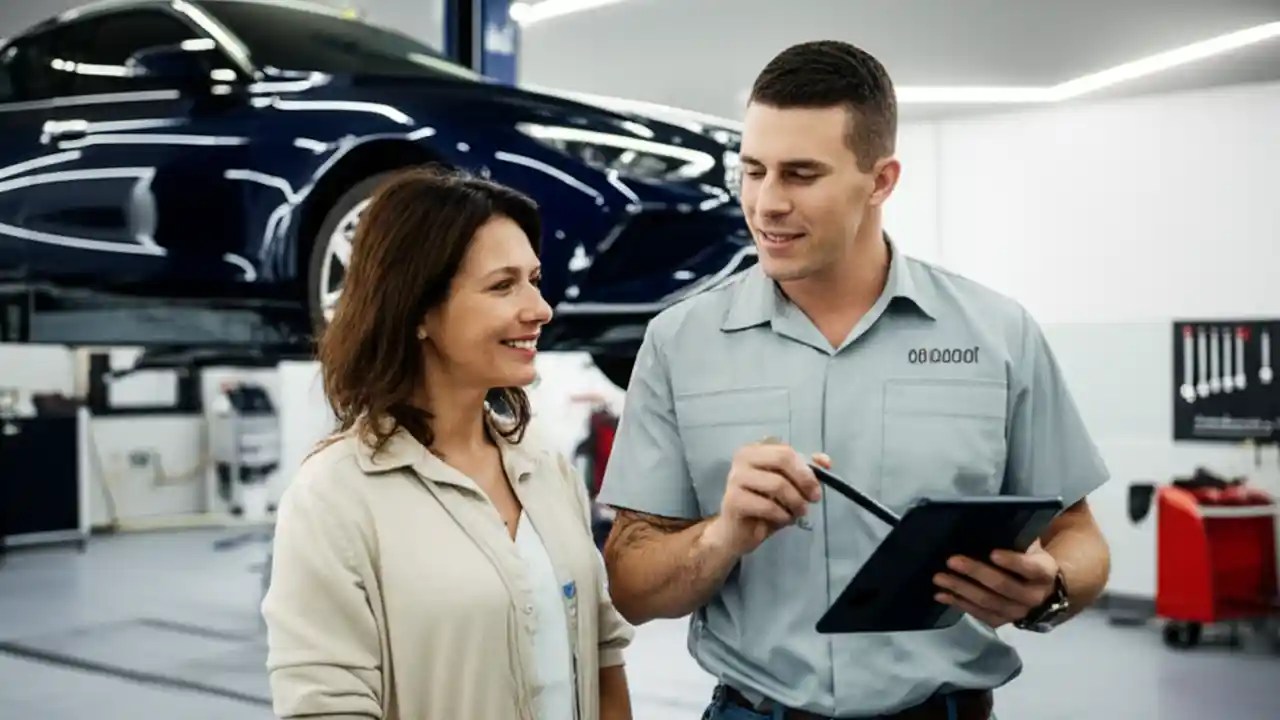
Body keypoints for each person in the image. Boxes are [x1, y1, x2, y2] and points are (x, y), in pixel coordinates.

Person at [597, 40, 1112, 720]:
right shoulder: (678, 343)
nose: (766, 203)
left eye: (801, 174)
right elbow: (630, 584)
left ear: (881, 180)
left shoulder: (999, 335)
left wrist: (1050, 589)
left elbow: (1080, 535)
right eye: (752, 171)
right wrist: (722, 536)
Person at [261, 167, 635, 720]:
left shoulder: (544, 465)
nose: (540, 308)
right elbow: (325, 706)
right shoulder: (336, 496)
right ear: (418, 309)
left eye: (534, 279)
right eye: (503, 285)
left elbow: (602, 656)